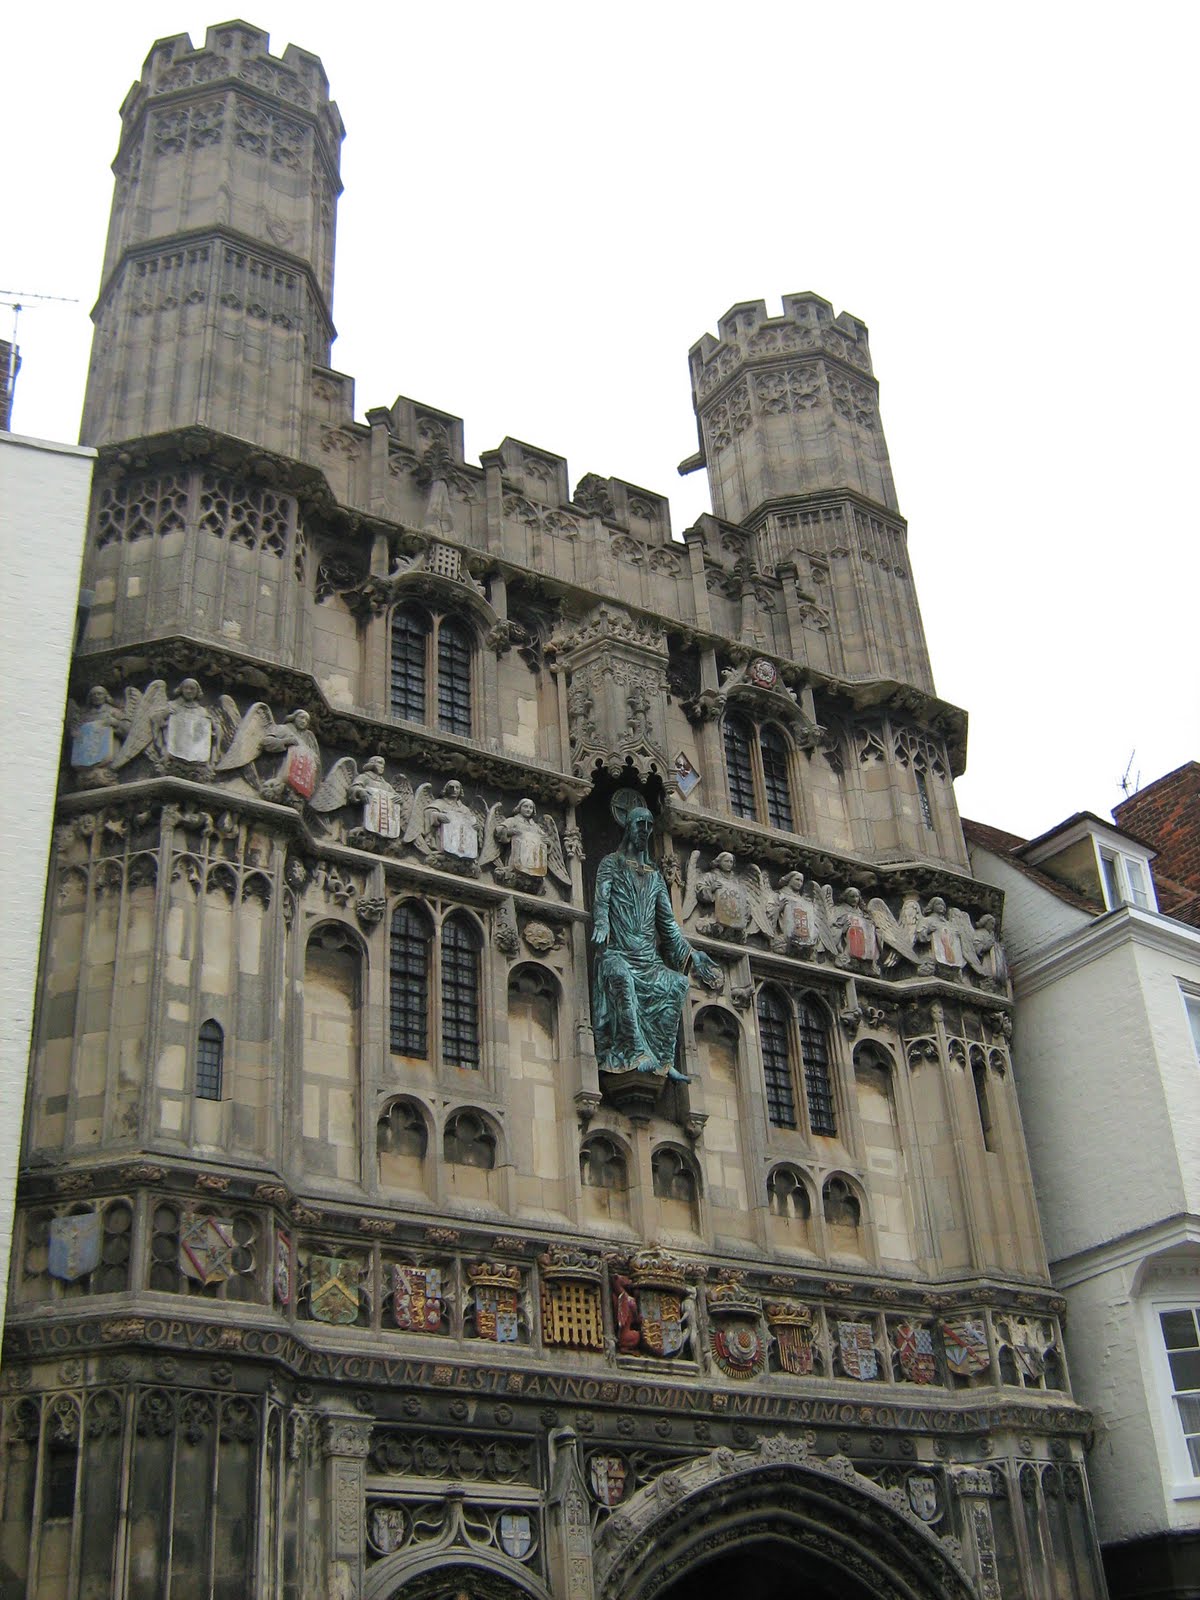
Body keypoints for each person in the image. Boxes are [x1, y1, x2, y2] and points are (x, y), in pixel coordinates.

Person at [591, 800, 721, 1079]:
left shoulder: (655, 878)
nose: (645, 831)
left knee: (677, 983)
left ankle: (662, 1060)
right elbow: (602, 899)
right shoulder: (610, 864)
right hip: (617, 953)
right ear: (629, 827)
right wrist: (601, 925)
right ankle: (636, 1053)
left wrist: (692, 953)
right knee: (621, 979)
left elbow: (669, 925)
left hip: (648, 961)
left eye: (650, 826)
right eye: (640, 825)